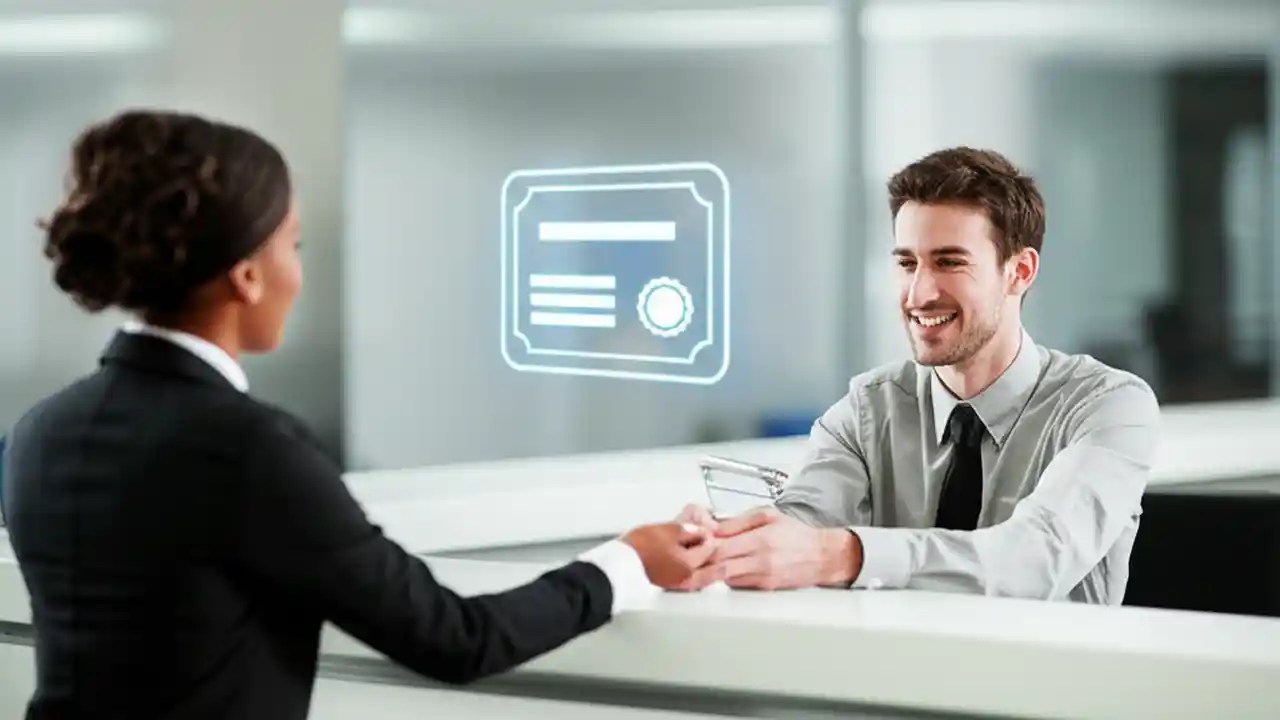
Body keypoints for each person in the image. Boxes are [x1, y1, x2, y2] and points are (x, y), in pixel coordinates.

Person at [0, 109, 720, 720]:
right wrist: (627, 562)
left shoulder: (40, 432)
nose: (299, 271)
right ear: (247, 276)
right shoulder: (247, 448)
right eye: (294, 244)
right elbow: (455, 638)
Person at [679, 147, 1161, 604]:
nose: (919, 292)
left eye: (949, 263)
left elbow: (1034, 559)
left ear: (1019, 271)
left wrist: (846, 554)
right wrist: (730, 543)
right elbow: (803, 523)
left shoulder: (1108, 406)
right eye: (907, 263)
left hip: (1048, 688)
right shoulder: (867, 410)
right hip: (894, 686)